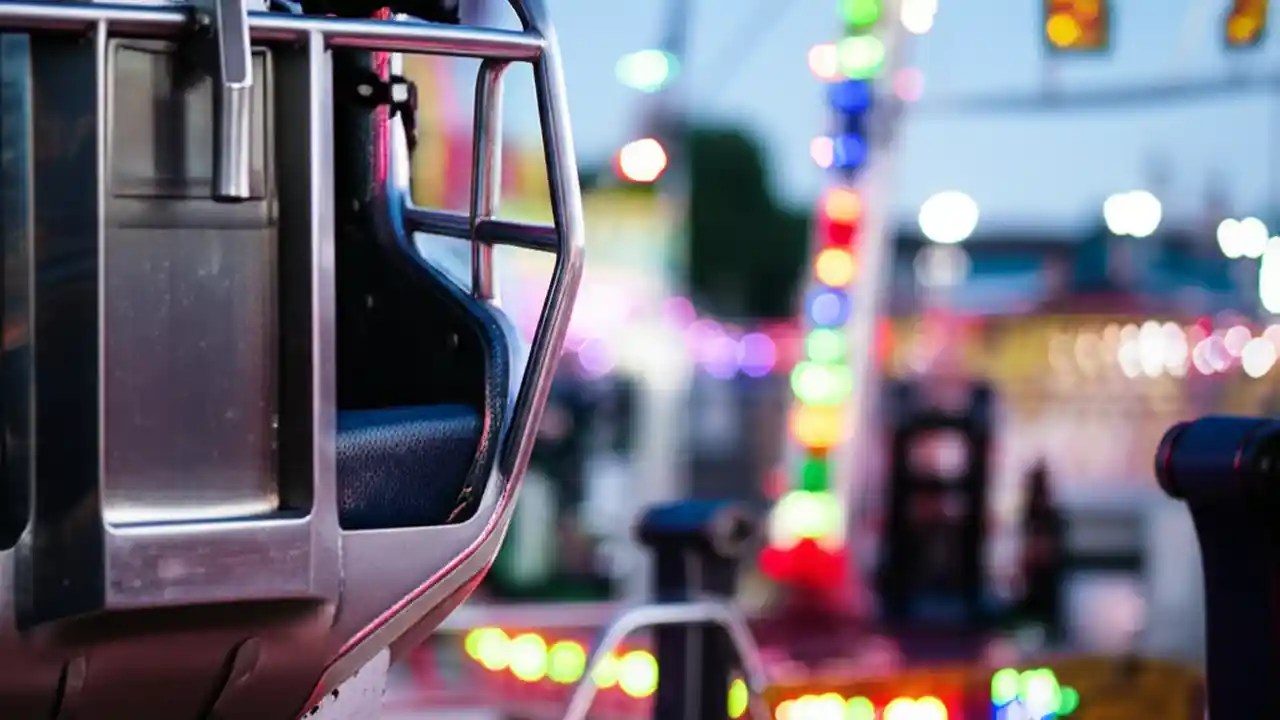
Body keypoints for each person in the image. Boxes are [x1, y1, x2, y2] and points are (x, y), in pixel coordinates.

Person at [1018, 460, 1065, 642]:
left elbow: (1051, 548)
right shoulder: (1030, 512)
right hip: (1035, 575)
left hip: (1045, 574)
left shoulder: (1049, 514)